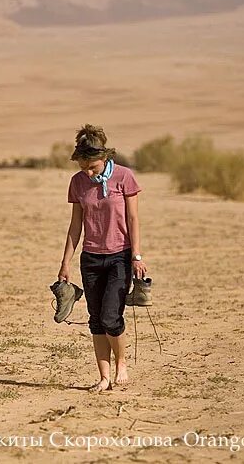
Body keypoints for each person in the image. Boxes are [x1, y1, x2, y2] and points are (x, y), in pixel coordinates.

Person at [58, 124, 146, 393]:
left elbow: (133, 219)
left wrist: (137, 256)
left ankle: (122, 363)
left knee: (111, 316)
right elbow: (76, 225)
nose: (87, 171)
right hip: (91, 259)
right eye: (83, 165)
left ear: (104, 157)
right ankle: (104, 377)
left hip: (119, 257)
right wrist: (65, 262)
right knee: (95, 318)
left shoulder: (124, 177)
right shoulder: (77, 182)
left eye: (92, 166)